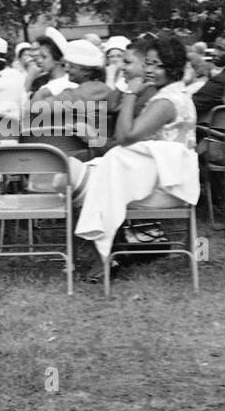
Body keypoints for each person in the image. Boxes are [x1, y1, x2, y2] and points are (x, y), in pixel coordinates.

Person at [71, 35, 200, 263]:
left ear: (172, 69)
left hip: (165, 189)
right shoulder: (172, 95)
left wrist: (131, 92)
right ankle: (126, 247)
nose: (149, 70)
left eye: (158, 65)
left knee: (77, 177)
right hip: (163, 179)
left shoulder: (167, 101)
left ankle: (107, 256)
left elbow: (124, 137)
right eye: (148, 63)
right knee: (82, 174)